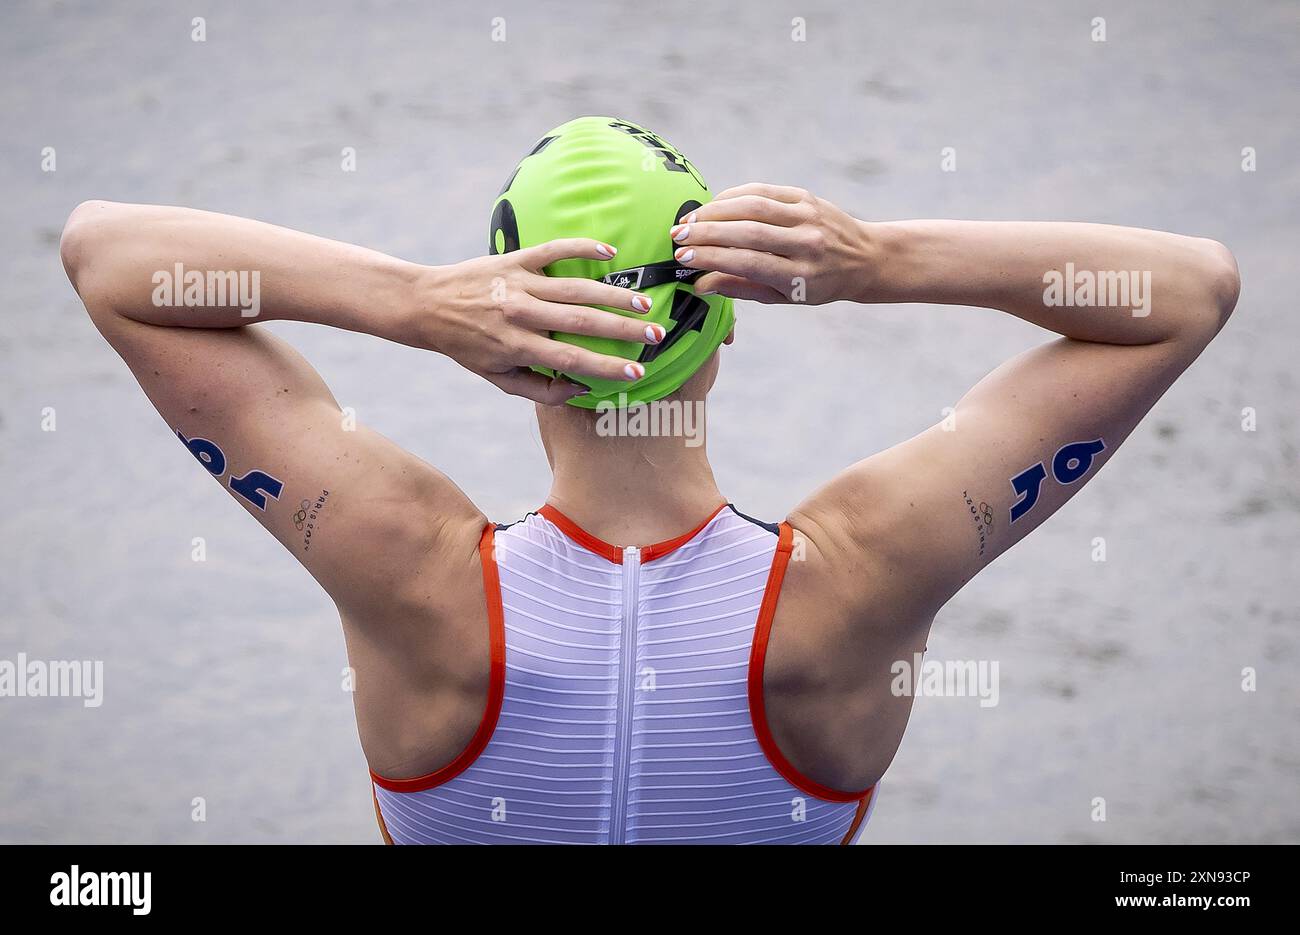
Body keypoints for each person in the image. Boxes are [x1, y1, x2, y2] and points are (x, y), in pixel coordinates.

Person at [58, 117, 1239, 844]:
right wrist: (878, 261)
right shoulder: (869, 569)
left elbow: (108, 257)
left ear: (503, 352)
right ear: (726, 327)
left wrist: (410, 301)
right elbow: (1184, 292)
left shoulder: (400, 563)